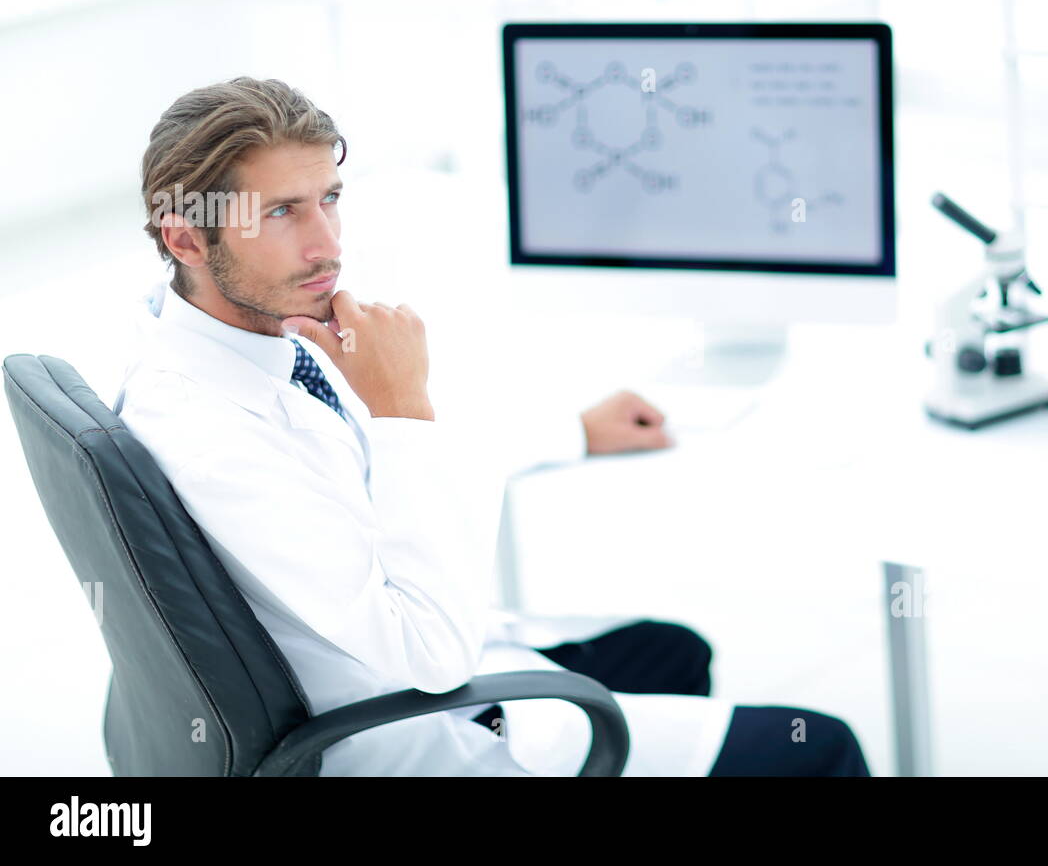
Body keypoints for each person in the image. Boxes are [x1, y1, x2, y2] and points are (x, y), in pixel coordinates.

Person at [115, 76, 869, 776]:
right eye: (282, 212)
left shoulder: (232, 345)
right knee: (823, 750)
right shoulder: (213, 438)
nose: (329, 245)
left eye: (330, 199)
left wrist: (568, 431)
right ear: (185, 238)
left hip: (418, 670)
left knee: (672, 653)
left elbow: (373, 473)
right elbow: (430, 658)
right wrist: (400, 406)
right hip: (423, 727)